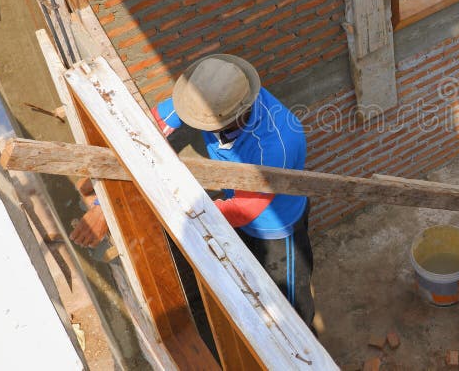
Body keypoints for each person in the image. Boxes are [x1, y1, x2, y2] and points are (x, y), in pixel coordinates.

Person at [70, 54, 314, 327]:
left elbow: (243, 210)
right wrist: (107, 201)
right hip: (237, 208)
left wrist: (155, 211)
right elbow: (144, 131)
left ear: (235, 115)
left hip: (276, 229)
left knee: (292, 304)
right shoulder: (208, 93)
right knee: (248, 279)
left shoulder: (276, 143)